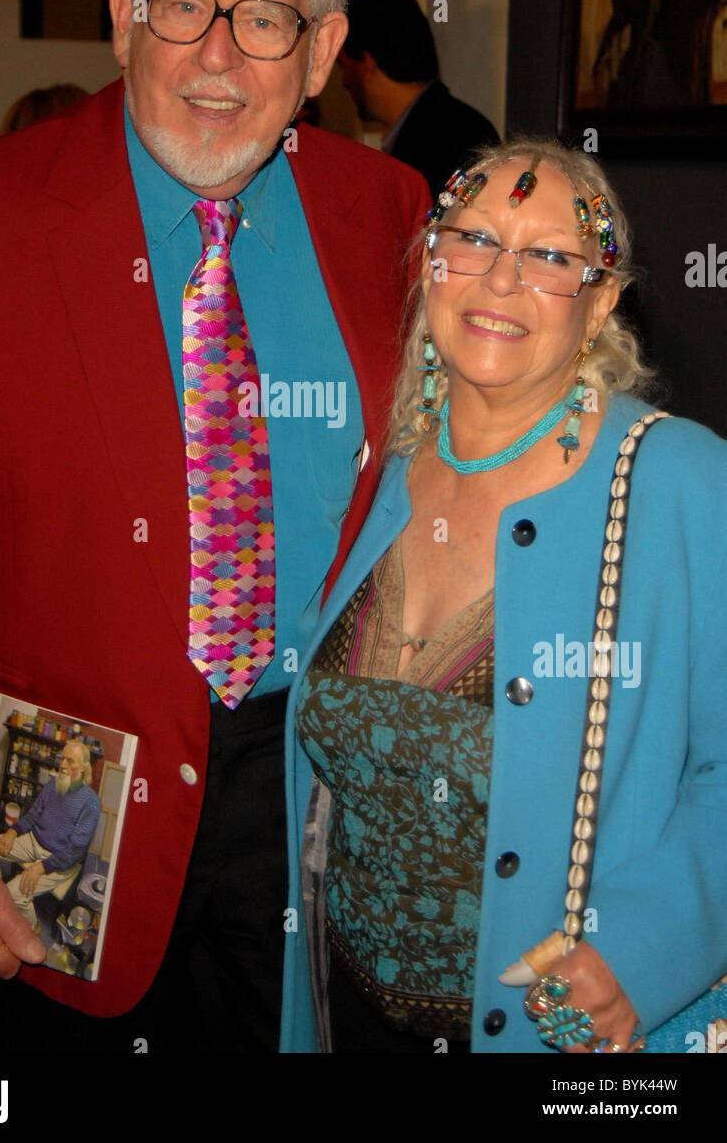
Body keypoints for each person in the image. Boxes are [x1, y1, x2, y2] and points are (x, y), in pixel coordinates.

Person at [0, 0, 429, 1053]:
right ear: (122, 18)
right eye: (183, 7)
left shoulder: (385, 212)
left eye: (266, 19)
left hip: (303, 801)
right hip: (53, 819)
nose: (218, 58)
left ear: (325, 53)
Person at [281, 138, 727, 1053]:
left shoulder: (677, 482)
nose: (500, 278)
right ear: (431, 261)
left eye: (551, 256)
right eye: (474, 238)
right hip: (350, 1015)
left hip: (554, 1036)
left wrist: (643, 953)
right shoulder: (375, 466)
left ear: (600, 301)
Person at [338, 0, 498, 198]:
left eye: (342, 65)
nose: (344, 82)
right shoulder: (460, 126)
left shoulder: (429, 147)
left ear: (366, 62)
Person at [0, 742, 101, 931]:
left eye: (70, 761)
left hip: (58, 860)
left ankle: (31, 927)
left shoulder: (91, 803)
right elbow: (33, 814)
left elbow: (73, 851)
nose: (63, 765)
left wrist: (40, 868)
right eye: (63, 759)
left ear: (84, 767)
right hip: (34, 840)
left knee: (13, 892)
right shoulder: (54, 783)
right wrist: (12, 832)